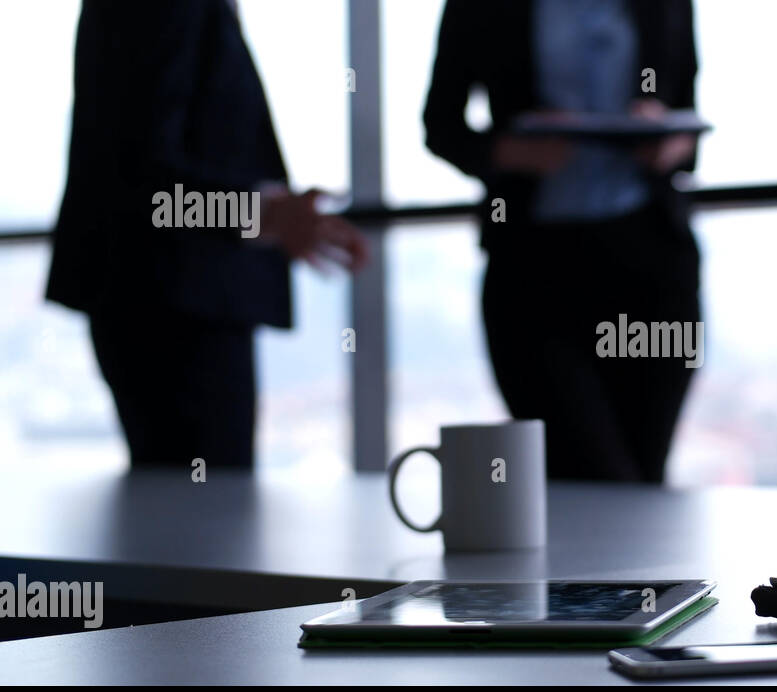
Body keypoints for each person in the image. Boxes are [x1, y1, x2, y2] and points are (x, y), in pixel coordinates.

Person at [46, 0, 370, 468]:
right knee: (203, 518)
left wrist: (268, 216)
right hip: (172, 309)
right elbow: (146, 185)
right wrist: (265, 215)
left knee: (191, 515)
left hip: (172, 305)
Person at [423, 0, 702, 482]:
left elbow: (685, 110)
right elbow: (441, 127)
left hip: (650, 265)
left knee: (645, 478)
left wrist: (669, 137)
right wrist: (512, 150)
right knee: (586, 477)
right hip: (534, 272)